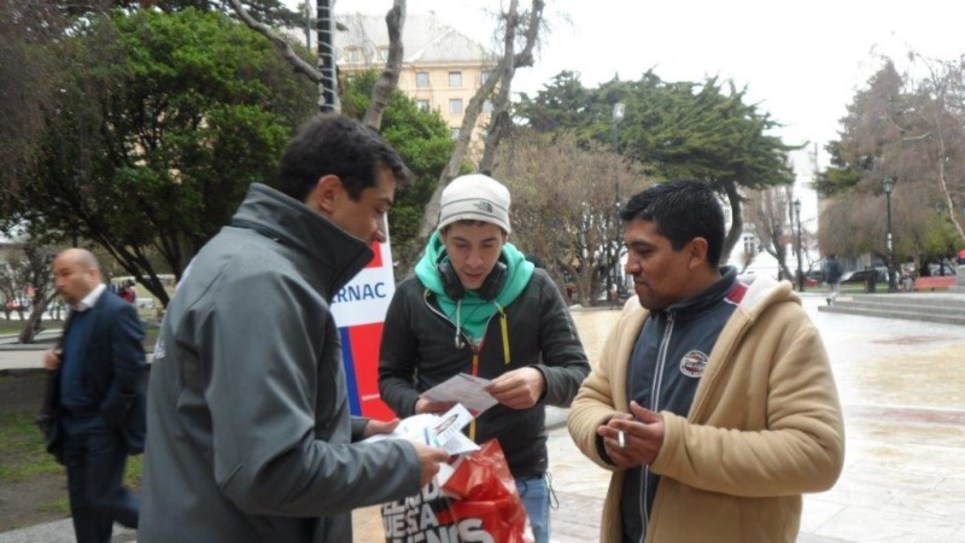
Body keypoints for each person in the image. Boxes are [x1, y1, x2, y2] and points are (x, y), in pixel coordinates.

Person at [140, 114, 449, 542]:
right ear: (329, 194)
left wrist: (358, 431)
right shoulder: (262, 284)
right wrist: (401, 464)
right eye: (378, 210)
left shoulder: (246, 262)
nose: (379, 234)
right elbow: (270, 471)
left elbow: (229, 418)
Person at [567, 180, 844, 543]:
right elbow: (588, 400)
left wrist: (674, 447)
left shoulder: (778, 326)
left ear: (695, 252)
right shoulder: (635, 316)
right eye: (628, 250)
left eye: (644, 251)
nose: (630, 266)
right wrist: (605, 434)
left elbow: (818, 455)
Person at [378, 173, 591, 543]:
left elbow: (578, 375)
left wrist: (541, 381)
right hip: (436, 472)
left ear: (506, 239)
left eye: (488, 245)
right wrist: (416, 404)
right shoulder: (412, 296)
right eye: (461, 244)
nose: (474, 260)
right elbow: (389, 377)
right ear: (442, 237)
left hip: (521, 475)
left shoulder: (537, 289)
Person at [43, 248, 147, 543]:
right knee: (83, 503)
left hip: (101, 425)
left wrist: (106, 419)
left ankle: (173, 528)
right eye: (55, 276)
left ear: (91, 273)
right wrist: (57, 361)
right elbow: (86, 358)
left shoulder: (117, 311)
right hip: (71, 425)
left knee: (104, 495)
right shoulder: (77, 312)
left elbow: (131, 373)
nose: (59, 282)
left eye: (65, 274)